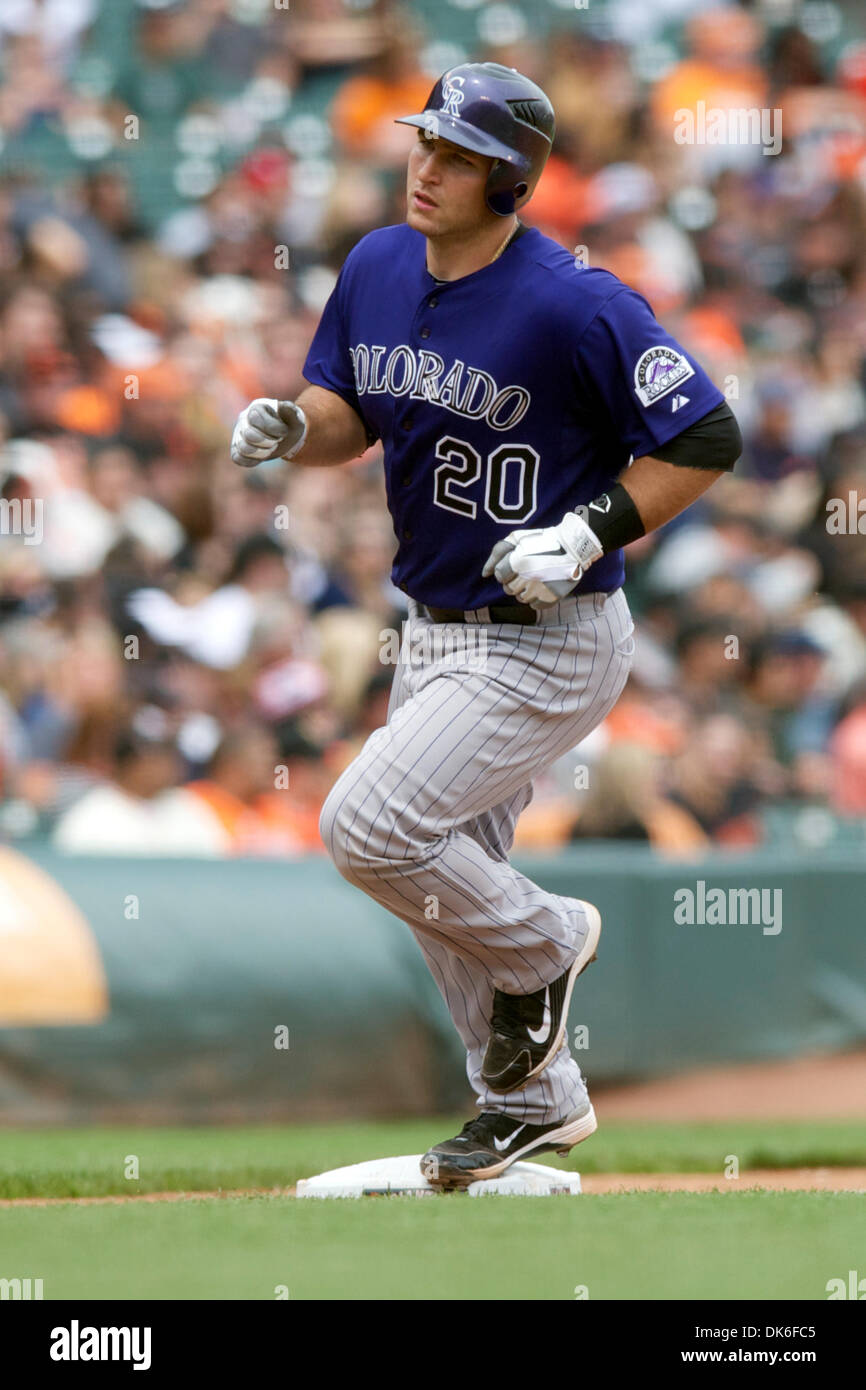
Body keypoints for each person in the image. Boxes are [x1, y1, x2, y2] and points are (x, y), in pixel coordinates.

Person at [231, 63, 741, 1187]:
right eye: (424, 142)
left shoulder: (573, 300)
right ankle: (528, 1110)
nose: (425, 165)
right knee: (445, 871)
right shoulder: (374, 264)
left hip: (548, 634)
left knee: (369, 828)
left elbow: (704, 435)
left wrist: (588, 528)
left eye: (456, 154)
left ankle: (550, 943)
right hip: (434, 628)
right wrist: (287, 424)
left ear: (509, 178)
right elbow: (344, 412)